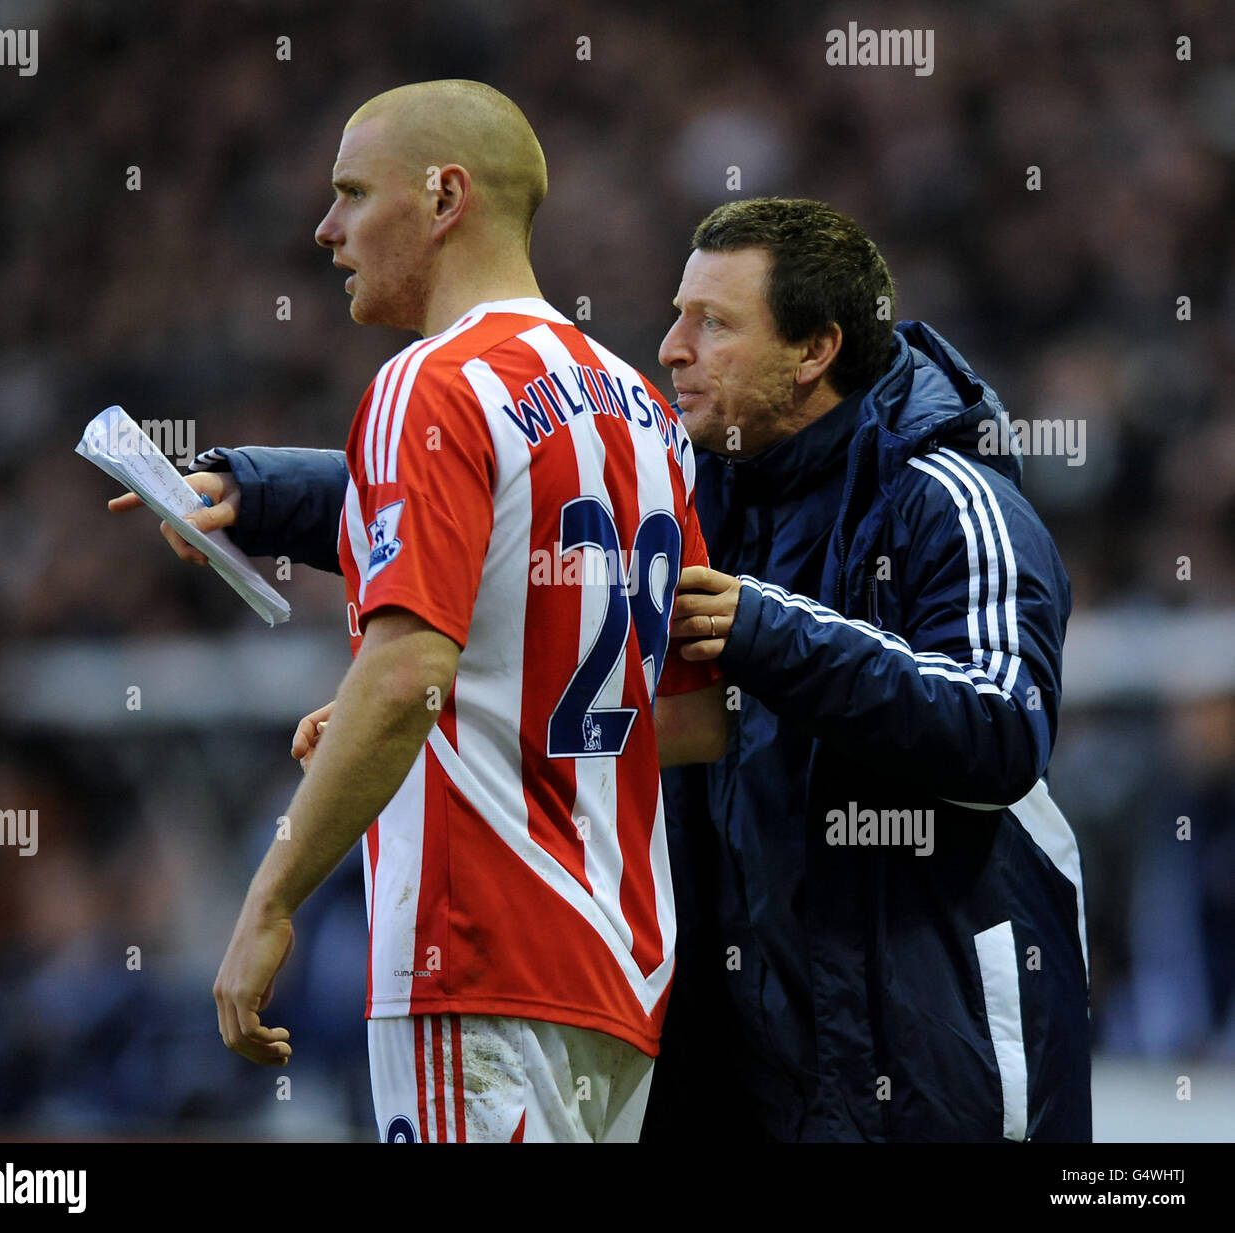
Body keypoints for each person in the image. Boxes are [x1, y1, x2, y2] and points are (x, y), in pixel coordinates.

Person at [119, 196, 1091, 1142]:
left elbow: (1002, 728)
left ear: (815, 351)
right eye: (676, 314)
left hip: (930, 1058)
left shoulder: (948, 501)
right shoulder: (692, 475)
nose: (670, 347)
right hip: (740, 1051)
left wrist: (769, 629)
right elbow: (491, 490)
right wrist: (255, 492)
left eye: (712, 324)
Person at [157, 80, 728, 1144]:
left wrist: (271, 900)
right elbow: (689, 718)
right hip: (623, 974)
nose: (326, 229)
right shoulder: (642, 409)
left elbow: (408, 668)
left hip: (474, 954)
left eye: (350, 193)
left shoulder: (428, 384)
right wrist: (440, 721)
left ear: (444, 195)